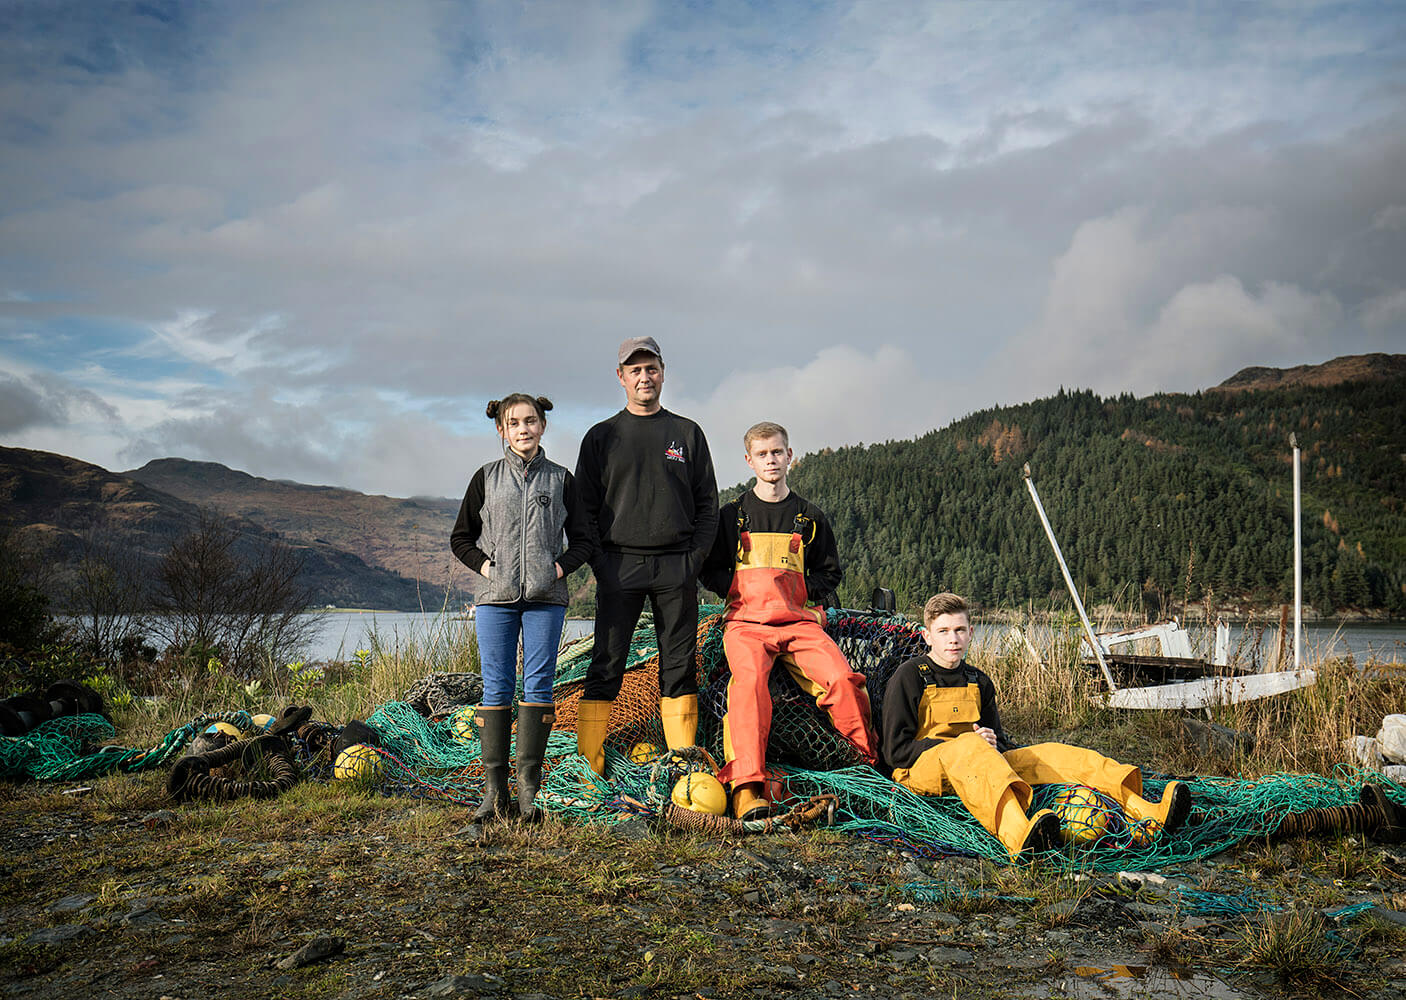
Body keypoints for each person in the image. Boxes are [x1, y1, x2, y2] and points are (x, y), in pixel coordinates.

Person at [882, 592, 1191, 862]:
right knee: (969, 744)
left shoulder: (979, 680)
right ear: (927, 635)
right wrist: (960, 745)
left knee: (1056, 754)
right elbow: (896, 752)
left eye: (960, 630)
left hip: (979, 762)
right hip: (920, 770)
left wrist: (992, 743)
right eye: (944, 631)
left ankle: (1146, 812)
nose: (953, 638)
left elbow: (999, 742)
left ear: (971, 632)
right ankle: (1018, 835)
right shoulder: (910, 676)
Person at [700, 422, 878, 820]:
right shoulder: (732, 516)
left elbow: (830, 574)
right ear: (749, 460)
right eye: (762, 454)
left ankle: (866, 767)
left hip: (800, 625)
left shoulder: (810, 517)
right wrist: (733, 588)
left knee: (844, 681)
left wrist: (801, 595)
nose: (771, 460)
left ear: (790, 456)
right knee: (747, 688)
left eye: (777, 452)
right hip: (746, 625)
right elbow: (708, 569)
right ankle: (749, 788)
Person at [573, 338, 718, 774]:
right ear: (620, 377)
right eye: (634, 370)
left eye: (650, 368)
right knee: (607, 661)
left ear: (662, 372)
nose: (643, 377)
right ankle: (590, 767)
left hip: (677, 565)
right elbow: (584, 509)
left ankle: (682, 767)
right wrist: (602, 564)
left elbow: (708, 506)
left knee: (680, 665)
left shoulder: (687, 433)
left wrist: (692, 561)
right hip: (619, 565)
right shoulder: (601, 437)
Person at [451, 394, 592, 821]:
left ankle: (529, 790)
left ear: (543, 426)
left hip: (546, 600)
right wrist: (488, 568)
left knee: (538, 687)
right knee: (495, 688)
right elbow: (461, 538)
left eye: (531, 421)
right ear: (501, 430)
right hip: (495, 600)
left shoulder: (562, 480)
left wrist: (557, 568)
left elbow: (584, 540)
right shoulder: (486, 478)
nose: (523, 429)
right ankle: (494, 794)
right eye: (514, 423)